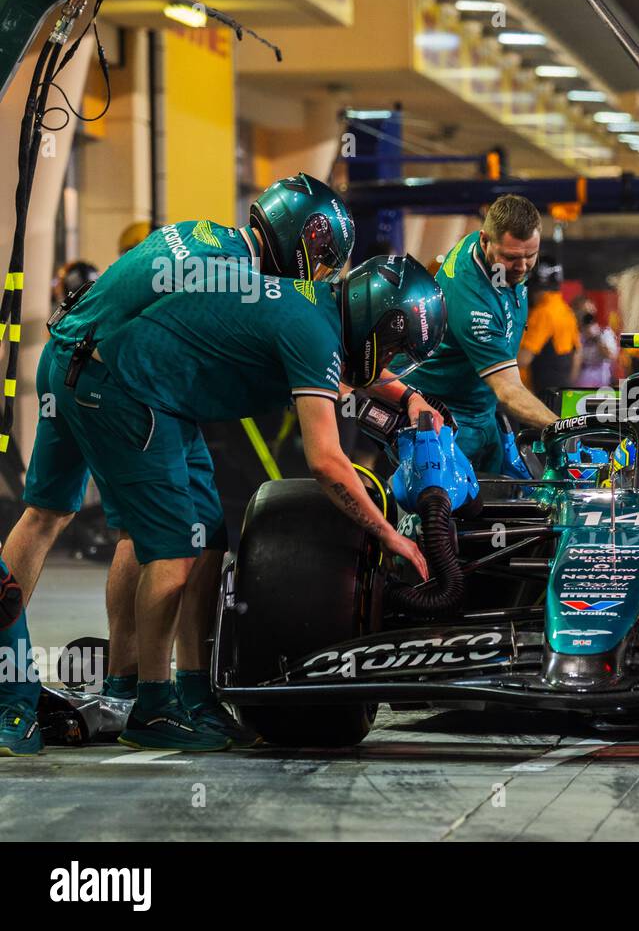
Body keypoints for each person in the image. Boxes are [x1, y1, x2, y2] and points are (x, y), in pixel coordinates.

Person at [0, 254, 444, 757]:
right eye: (395, 348)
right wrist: (388, 534)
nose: (391, 361)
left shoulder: (315, 310)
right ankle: (153, 706)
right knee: (172, 552)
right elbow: (326, 461)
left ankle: (185, 690)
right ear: (375, 324)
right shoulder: (313, 332)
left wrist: (407, 395)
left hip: (119, 376)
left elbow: (348, 369)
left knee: (204, 535)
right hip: (131, 390)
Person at [400, 195, 557, 472]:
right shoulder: (473, 303)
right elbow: (508, 390)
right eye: (511, 258)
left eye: (530, 256)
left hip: (482, 409)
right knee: (445, 507)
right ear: (484, 241)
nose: (521, 268)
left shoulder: (497, 248)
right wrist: (565, 428)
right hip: (446, 417)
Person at [518, 257, 579, 397]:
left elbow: (523, 359)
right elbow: (577, 354)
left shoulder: (542, 313)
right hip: (562, 394)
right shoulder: (566, 311)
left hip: (542, 396)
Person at [574, 294, 619, 389]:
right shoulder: (573, 334)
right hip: (578, 387)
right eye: (583, 312)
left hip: (601, 387)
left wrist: (596, 338)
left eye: (590, 311)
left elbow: (610, 356)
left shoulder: (604, 332)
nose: (587, 315)